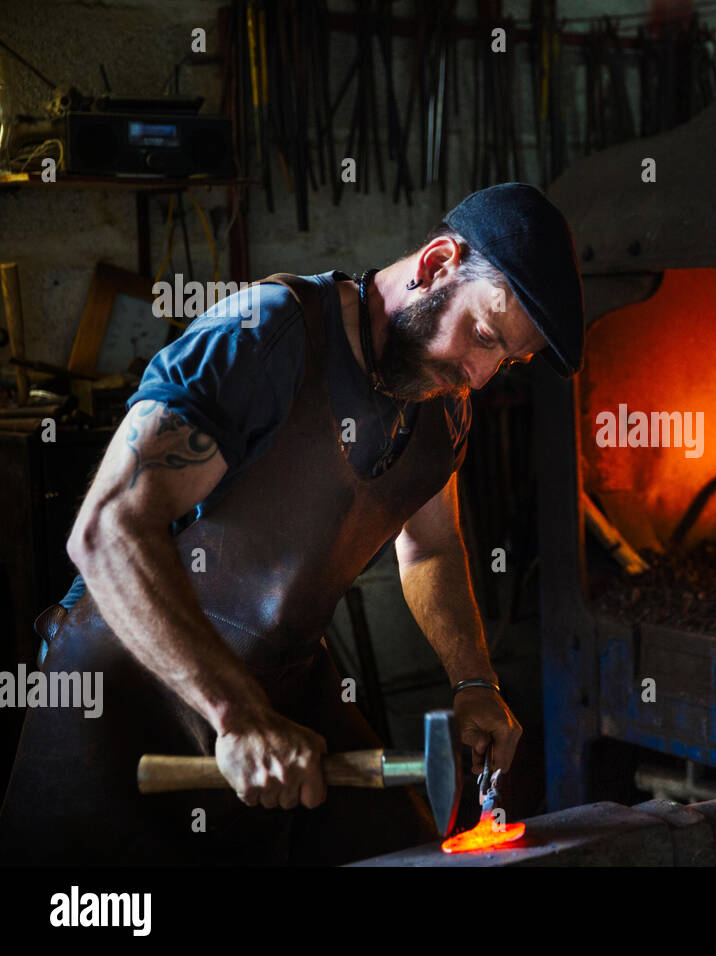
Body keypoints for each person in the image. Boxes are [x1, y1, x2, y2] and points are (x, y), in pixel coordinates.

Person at [0, 182, 584, 865]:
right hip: (126, 690)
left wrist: (474, 681)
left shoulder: (442, 402)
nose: (480, 375)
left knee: (405, 851)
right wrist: (234, 714)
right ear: (435, 265)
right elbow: (107, 528)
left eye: (505, 360)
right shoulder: (267, 333)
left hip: (281, 691)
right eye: (483, 335)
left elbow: (429, 550)